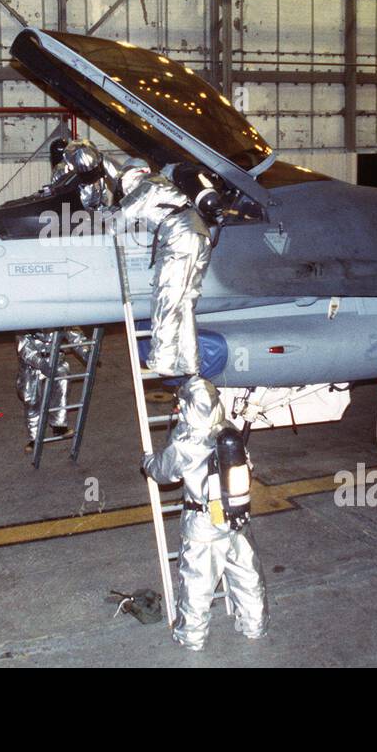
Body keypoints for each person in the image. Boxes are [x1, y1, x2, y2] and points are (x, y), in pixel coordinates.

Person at [142, 375, 267, 650]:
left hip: (203, 524)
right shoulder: (228, 430)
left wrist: (147, 460)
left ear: (187, 406)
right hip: (237, 520)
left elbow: (162, 472)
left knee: (197, 585)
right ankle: (256, 625)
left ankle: (192, 637)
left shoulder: (186, 440)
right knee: (248, 576)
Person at [115, 158, 212, 376]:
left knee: (166, 300)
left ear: (129, 176)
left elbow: (118, 221)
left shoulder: (146, 185)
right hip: (201, 236)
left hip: (179, 239)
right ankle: (189, 362)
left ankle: (163, 360)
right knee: (185, 304)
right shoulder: (165, 182)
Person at [16, 328, 87, 451]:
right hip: (31, 366)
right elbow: (24, 348)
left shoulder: (59, 315)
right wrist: (40, 363)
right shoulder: (25, 318)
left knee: (63, 381)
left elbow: (75, 335)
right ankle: (35, 438)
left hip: (55, 359)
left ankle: (59, 425)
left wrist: (87, 352)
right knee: (31, 399)